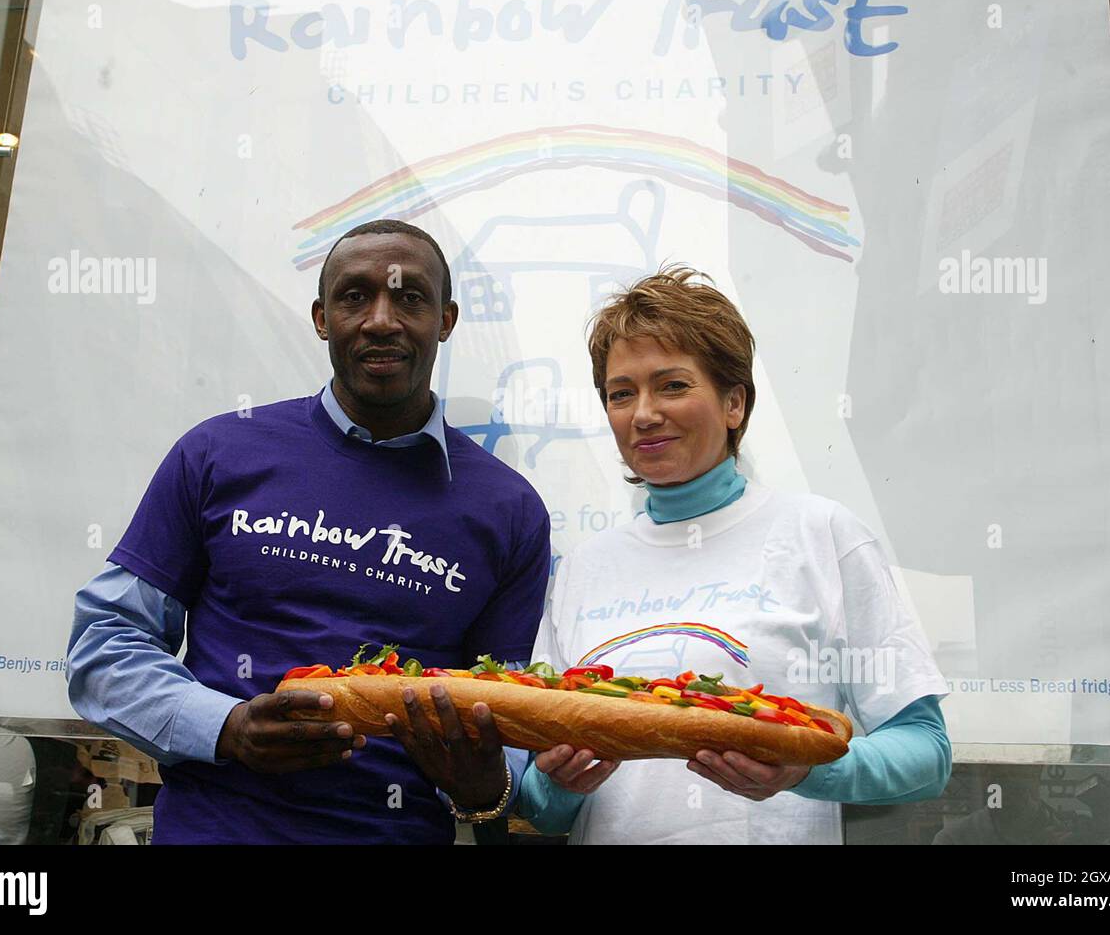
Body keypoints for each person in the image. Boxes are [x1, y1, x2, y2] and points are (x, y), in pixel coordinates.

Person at [68, 220, 551, 843]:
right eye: (355, 296)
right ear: (322, 318)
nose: (382, 320)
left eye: (410, 298)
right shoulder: (218, 453)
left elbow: (503, 717)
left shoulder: (509, 508)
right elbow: (106, 644)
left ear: (446, 320)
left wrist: (485, 782)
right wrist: (226, 727)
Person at [516, 266, 952, 844]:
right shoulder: (581, 569)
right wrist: (559, 786)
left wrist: (813, 770)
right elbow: (542, 811)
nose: (643, 413)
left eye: (672, 385)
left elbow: (927, 752)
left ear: (734, 403)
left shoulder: (820, 534)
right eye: (622, 393)